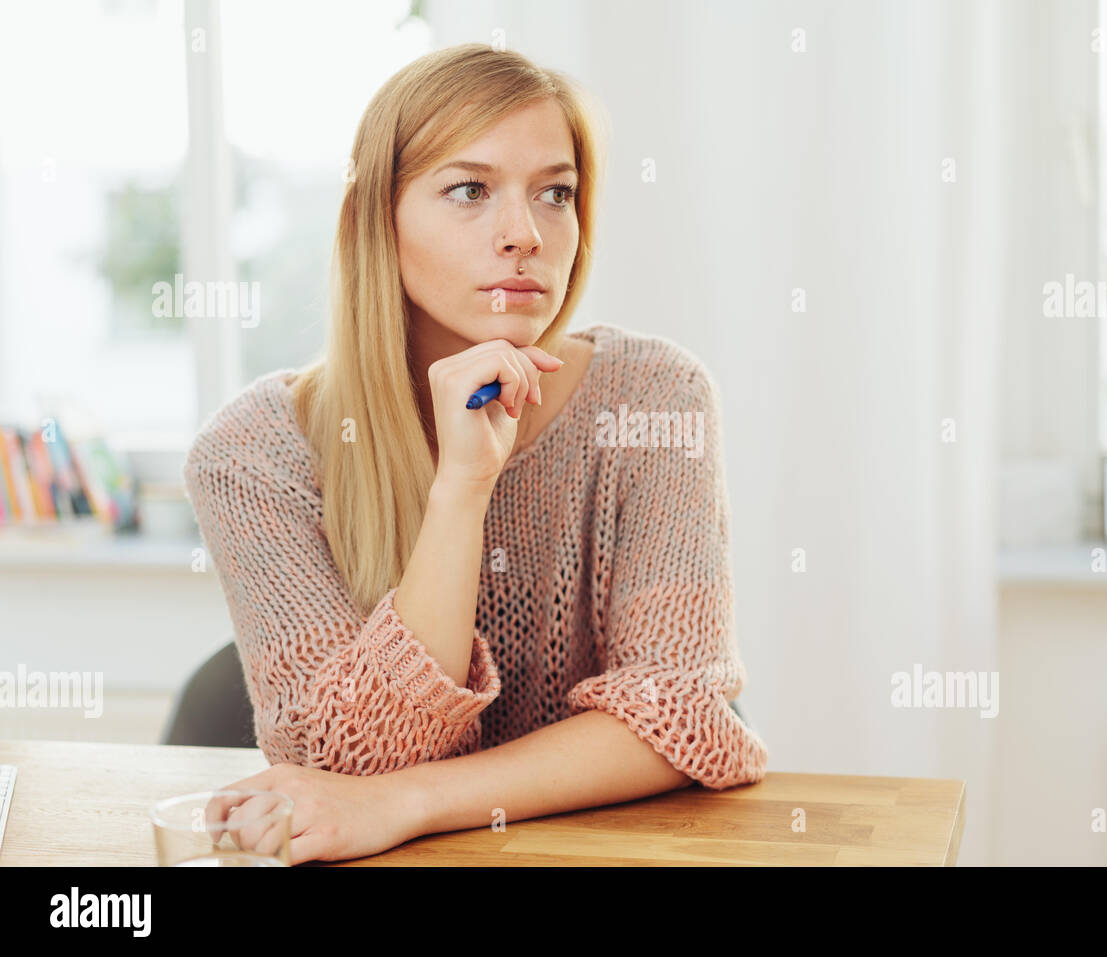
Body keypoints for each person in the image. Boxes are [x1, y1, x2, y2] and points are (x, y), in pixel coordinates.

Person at [182, 42, 767, 865]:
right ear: (376, 220)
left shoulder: (654, 399)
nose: (524, 235)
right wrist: (462, 484)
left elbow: (678, 710)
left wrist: (411, 801)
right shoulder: (251, 456)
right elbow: (343, 765)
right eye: (469, 189)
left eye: (554, 193)